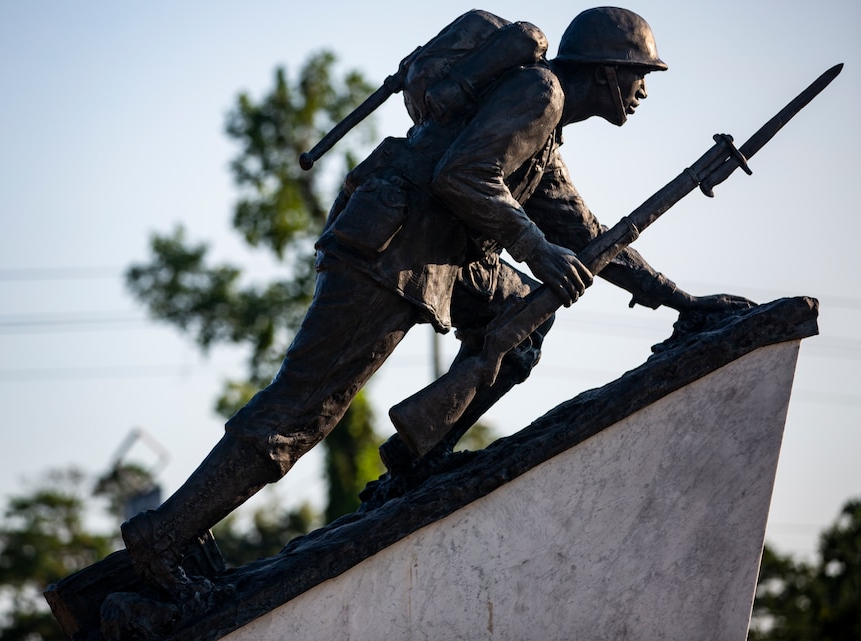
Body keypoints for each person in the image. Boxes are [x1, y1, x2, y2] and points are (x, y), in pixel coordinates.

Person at [122, 7, 752, 595]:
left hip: (437, 254)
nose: (644, 92)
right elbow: (463, 175)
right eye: (642, 77)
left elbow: (589, 237)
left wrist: (682, 302)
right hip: (391, 251)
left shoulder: (546, 138)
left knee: (521, 322)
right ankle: (161, 540)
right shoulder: (541, 94)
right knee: (303, 408)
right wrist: (536, 249)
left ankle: (414, 459)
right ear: (610, 73)